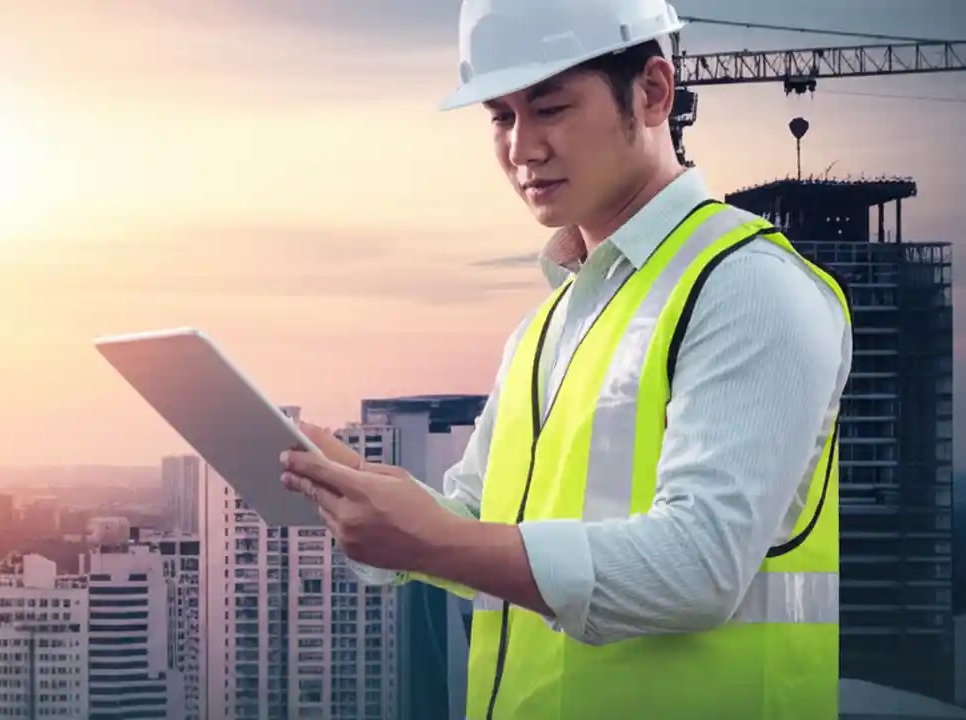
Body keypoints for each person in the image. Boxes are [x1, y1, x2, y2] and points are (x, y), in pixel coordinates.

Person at [278, 0, 853, 717]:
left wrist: (434, 540)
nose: (522, 149)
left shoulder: (746, 285)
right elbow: (477, 526)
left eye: (548, 108)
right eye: (501, 117)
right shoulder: (547, 326)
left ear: (652, 92)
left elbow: (702, 566)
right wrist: (366, 492)